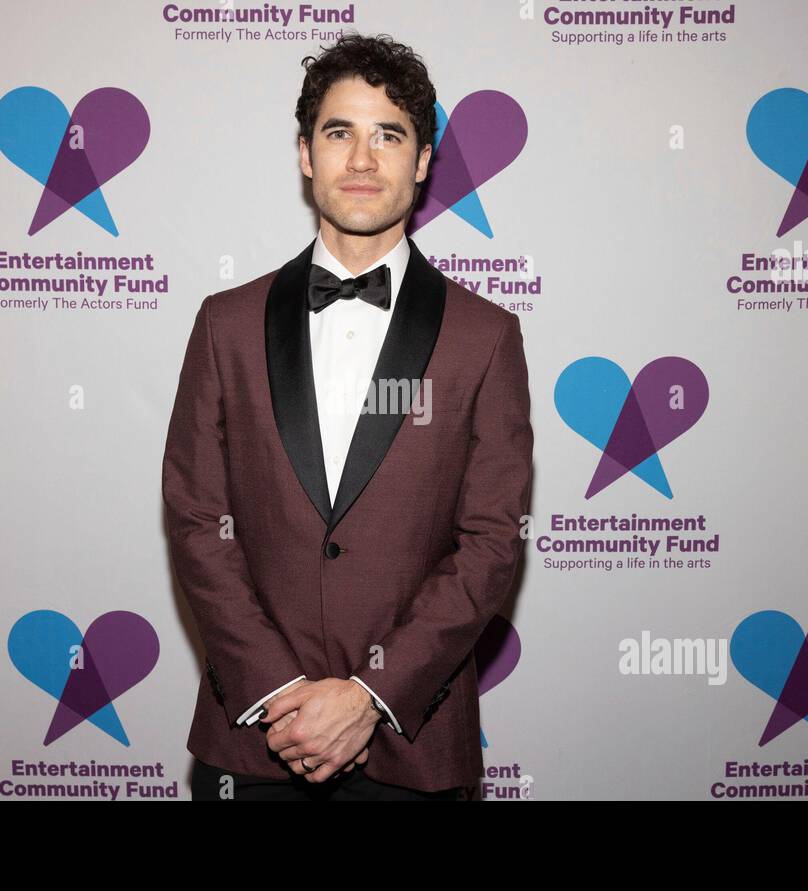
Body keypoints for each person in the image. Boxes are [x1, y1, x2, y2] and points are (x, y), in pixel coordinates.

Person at [163, 32, 532, 801]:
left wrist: (367, 697)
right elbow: (198, 517)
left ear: (423, 162)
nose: (363, 161)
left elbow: (492, 543)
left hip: (412, 751)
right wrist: (280, 690)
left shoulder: (486, 336)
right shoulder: (225, 323)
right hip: (252, 740)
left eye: (388, 135)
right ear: (305, 153)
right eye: (340, 133)